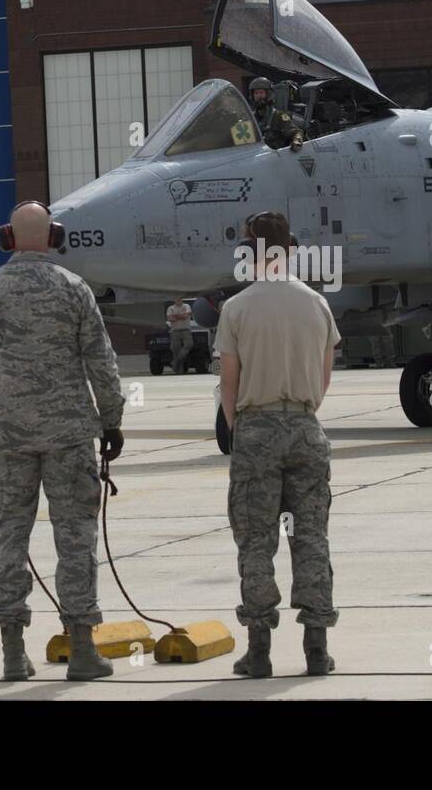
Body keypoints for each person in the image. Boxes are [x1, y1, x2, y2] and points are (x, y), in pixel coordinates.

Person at [0, 200, 126, 682]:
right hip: (68, 435)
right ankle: (84, 650)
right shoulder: (73, 290)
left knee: (9, 536)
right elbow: (100, 361)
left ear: (7, 238)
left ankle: (12, 651)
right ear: (55, 237)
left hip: (6, 435)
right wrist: (110, 421)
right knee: (75, 538)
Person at [214, 211, 342, 678]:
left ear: (250, 252)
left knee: (256, 540)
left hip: (256, 428)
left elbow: (229, 384)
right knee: (310, 538)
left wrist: (242, 426)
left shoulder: (237, 308)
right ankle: (316, 648)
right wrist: (300, 412)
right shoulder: (317, 305)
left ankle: (260, 651)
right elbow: (325, 378)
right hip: (307, 428)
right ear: (290, 251)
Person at [166, 296, 194, 374]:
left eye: (179, 298)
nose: (178, 300)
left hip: (186, 330)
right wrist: (181, 315)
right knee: (175, 350)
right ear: (174, 300)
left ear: (182, 299)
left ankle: (175, 362)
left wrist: (175, 316)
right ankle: (179, 370)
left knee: (189, 344)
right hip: (175, 331)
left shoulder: (186, 306)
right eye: (176, 298)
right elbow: (170, 318)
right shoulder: (170, 308)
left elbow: (186, 316)